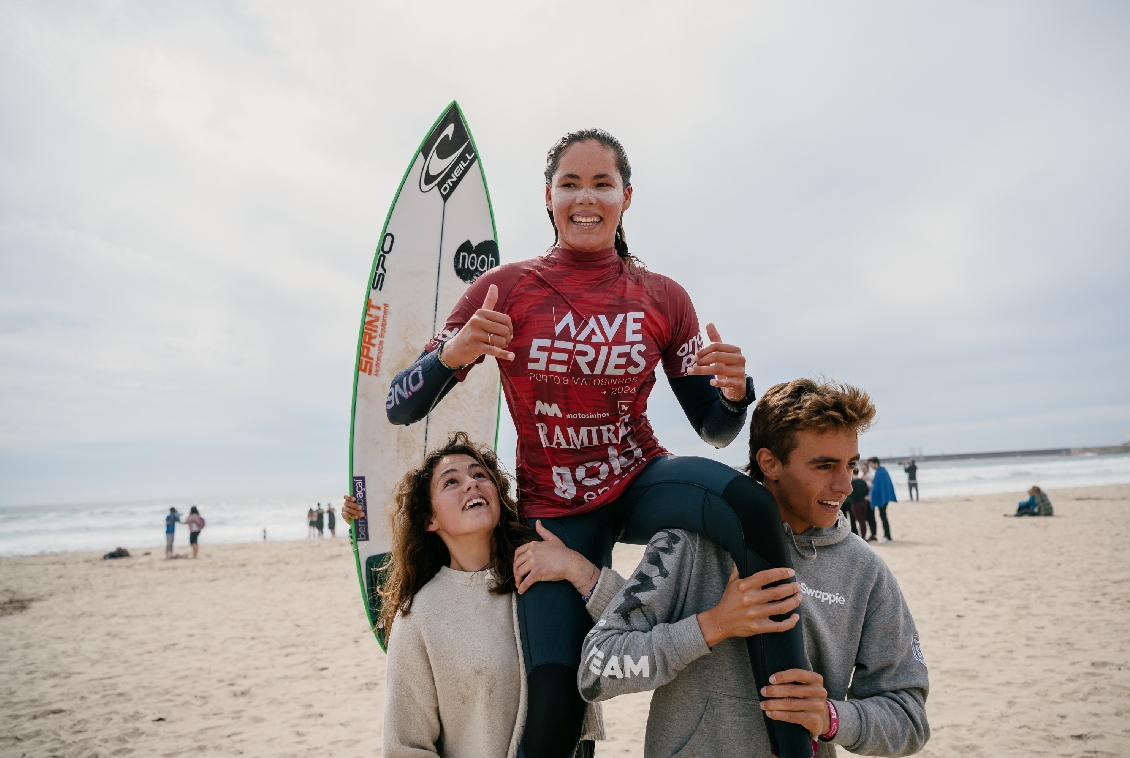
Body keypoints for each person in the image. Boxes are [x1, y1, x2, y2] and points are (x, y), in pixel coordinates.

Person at [359, 129, 811, 758]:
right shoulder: (506, 288)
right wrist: (453, 353)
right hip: (554, 514)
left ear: (627, 197)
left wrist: (735, 394)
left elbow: (714, 428)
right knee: (555, 701)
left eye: (603, 183)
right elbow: (400, 404)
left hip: (639, 479)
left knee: (755, 509)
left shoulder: (663, 297)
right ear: (548, 197)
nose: (586, 197)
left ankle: (795, 740)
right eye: (570, 183)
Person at [577, 379, 930, 757]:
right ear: (769, 462)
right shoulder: (691, 542)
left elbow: (909, 720)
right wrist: (714, 624)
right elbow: (597, 670)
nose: (844, 484)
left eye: (851, 465)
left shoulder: (866, 571)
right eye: (825, 466)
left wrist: (830, 717)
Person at [371, 432, 626, 758]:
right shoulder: (420, 615)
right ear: (429, 519)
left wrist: (578, 569)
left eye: (480, 475)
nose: (471, 483)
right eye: (451, 482)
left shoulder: (544, 568)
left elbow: (638, 627)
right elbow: (405, 747)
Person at [868, 457, 897, 542]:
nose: (871, 466)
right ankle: (887, 535)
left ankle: (887, 536)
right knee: (883, 516)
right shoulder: (882, 471)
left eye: (871, 464)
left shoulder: (880, 472)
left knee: (883, 516)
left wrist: (870, 486)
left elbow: (877, 487)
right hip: (884, 498)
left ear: (875, 463)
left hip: (883, 499)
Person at [847, 469, 870, 539]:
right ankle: (864, 536)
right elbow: (866, 491)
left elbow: (850, 494)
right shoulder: (862, 481)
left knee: (860, 521)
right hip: (863, 502)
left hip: (855, 503)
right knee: (863, 520)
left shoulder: (852, 483)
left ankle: (863, 537)